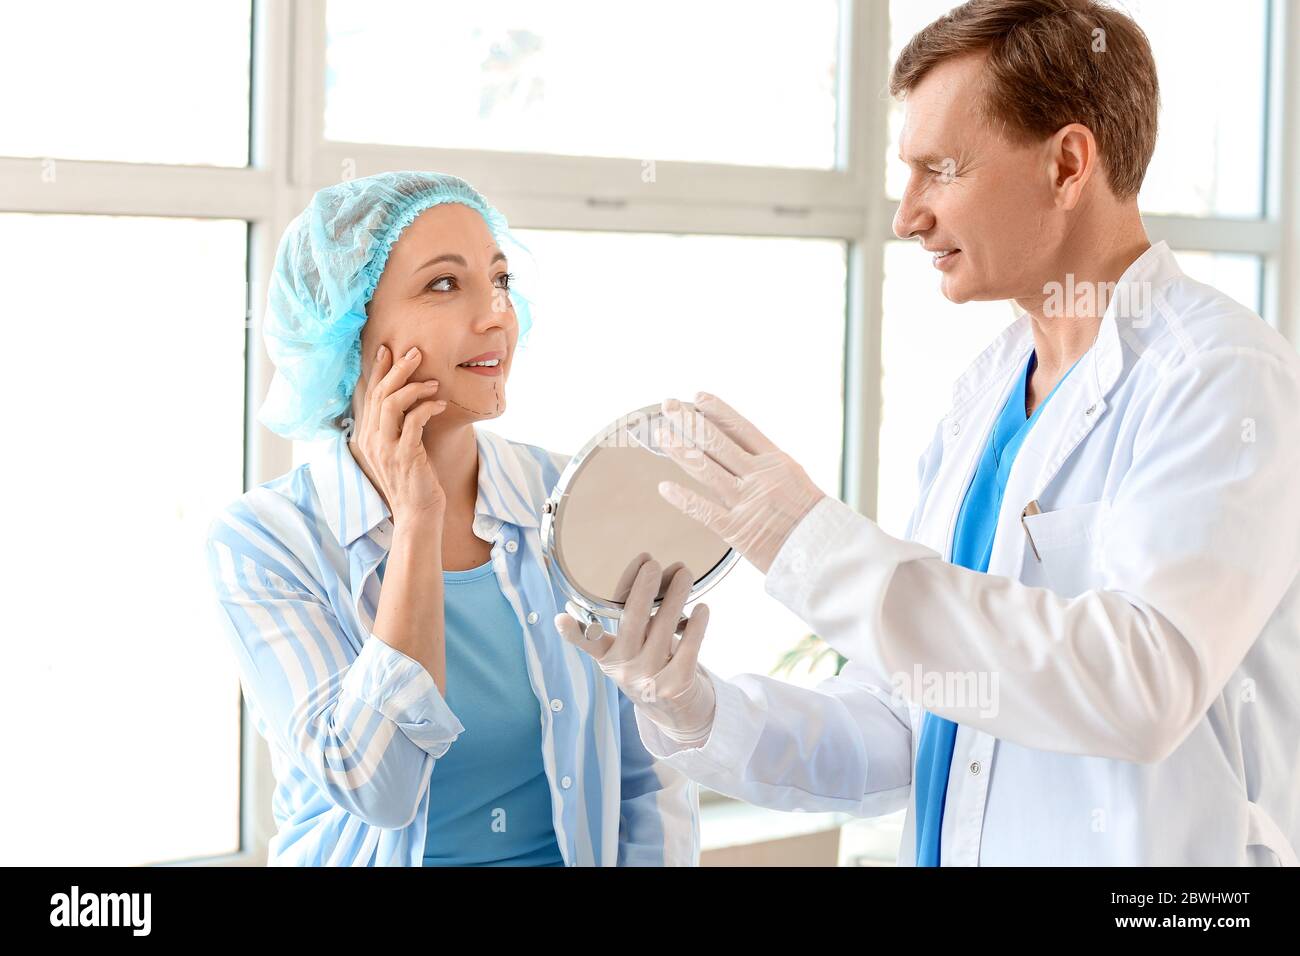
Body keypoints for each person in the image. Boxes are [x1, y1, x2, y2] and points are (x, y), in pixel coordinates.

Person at [557, 0, 1300, 866]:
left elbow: (1142, 685)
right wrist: (692, 706)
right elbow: (906, 726)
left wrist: (812, 542)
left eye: (938, 171)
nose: (908, 215)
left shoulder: (1218, 373)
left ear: (1067, 165)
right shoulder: (982, 397)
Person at [206, 171, 698, 866]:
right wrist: (415, 520)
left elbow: (646, 766)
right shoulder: (264, 542)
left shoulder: (571, 492)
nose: (496, 312)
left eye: (498, 278)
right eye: (444, 284)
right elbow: (379, 787)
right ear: (349, 327)